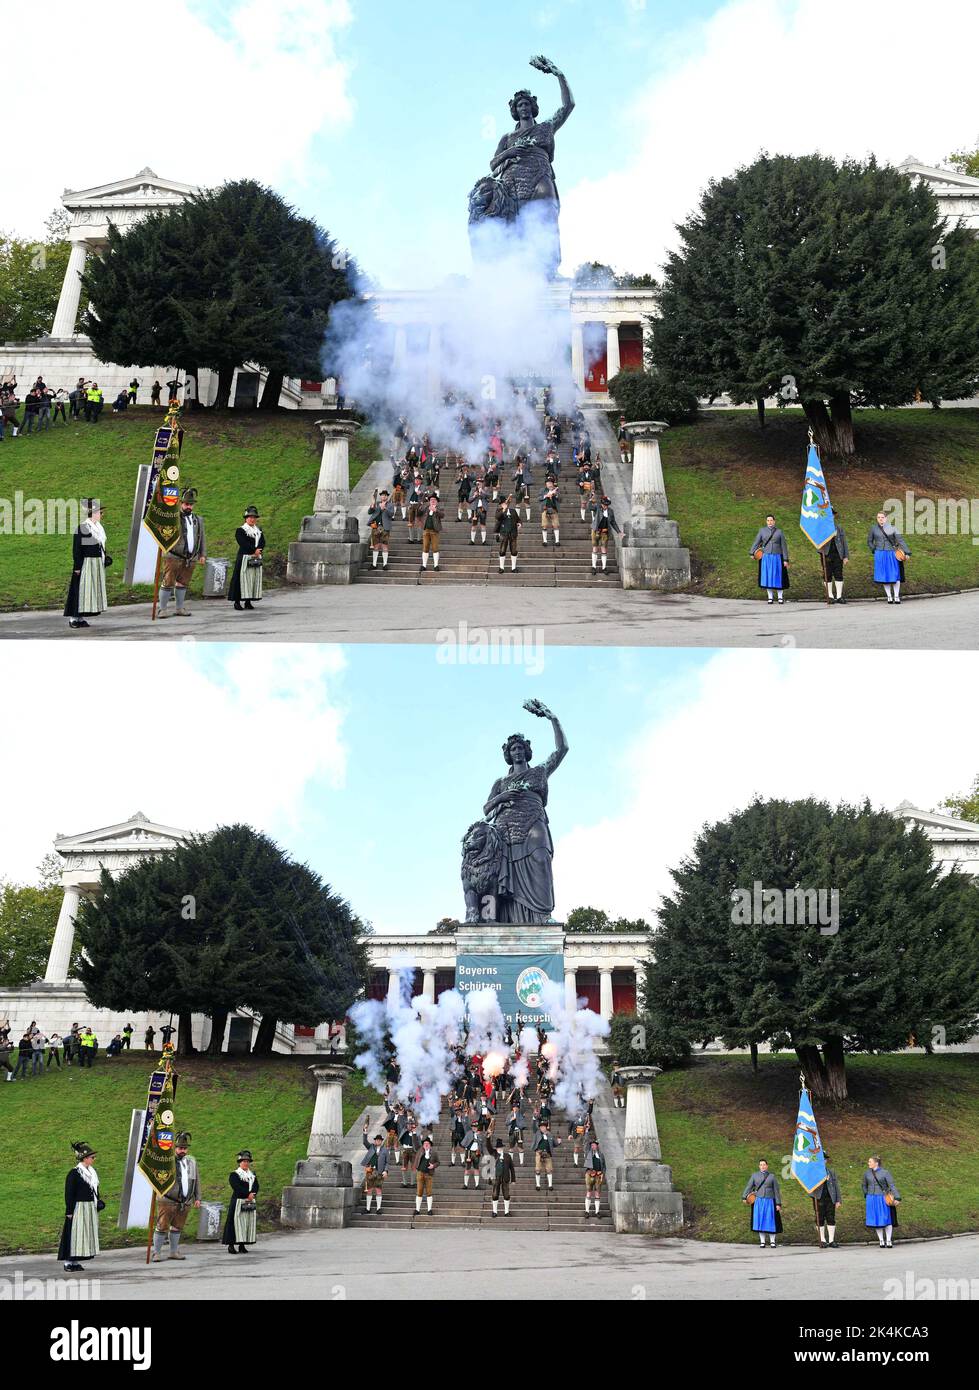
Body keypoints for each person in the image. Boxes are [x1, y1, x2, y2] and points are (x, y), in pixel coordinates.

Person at [158, 488, 207, 619]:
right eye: (186, 504)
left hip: (191, 557)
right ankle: (162, 609)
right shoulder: (172, 517)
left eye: (191, 504)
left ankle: (179, 608)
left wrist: (202, 554)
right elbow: (163, 531)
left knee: (183, 582)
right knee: (168, 581)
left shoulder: (198, 519)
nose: (188, 506)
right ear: (181, 503)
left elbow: (201, 538)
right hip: (173, 555)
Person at [152, 1132, 200, 1261]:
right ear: (174, 1148)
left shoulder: (192, 1161)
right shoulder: (166, 1160)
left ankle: (173, 1251)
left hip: (185, 1201)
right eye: (180, 1148)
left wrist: (197, 1198)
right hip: (167, 1199)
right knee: (162, 1225)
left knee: (178, 1226)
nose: (182, 1151)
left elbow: (196, 1181)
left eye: (185, 1148)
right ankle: (156, 1252)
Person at [64, 499, 110, 630]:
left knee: (88, 592)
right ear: (94, 513)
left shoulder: (99, 528)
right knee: (79, 590)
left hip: (95, 564)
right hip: (85, 564)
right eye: (100, 512)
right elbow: (77, 549)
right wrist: (77, 567)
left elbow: (100, 546)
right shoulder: (83, 528)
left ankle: (80, 618)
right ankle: (73, 618)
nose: (102, 515)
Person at [58, 1142, 104, 1272]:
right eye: (92, 1157)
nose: (94, 1159)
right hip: (78, 1208)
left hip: (89, 1208)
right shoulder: (74, 1173)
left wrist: (97, 1203)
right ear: (85, 1158)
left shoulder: (92, 1173)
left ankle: (75, 1261)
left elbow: (95, 1190)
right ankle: (68, 1262)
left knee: (83, 1235)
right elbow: (69, 1194)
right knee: (73, 1234)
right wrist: (69, 1211)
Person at [868, 511, 911, 605]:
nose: (880, 519)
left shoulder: (892, 528)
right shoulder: (873, 528)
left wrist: (907, 552)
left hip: (892, 554)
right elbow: (869, 541)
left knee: (895, 575)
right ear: (877, 518)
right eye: (879, 517)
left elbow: (900, 540)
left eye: (882, 517)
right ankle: (889, 596)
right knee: (884, 576)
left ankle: (896, 596)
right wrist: (874, 549)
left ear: (886, 518)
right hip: (880, 554)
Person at [228, 506, 264, 612]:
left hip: (255, 557)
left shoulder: (258, 531)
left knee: (252, 579)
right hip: (244, 558)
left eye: (254, 517)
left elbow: (262, 542)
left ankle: (248, 601)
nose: (252, 519)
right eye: (250, 517)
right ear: (246, 518)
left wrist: (259, 550)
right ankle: (237, 602)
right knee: (240, 580)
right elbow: (243, 543)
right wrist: (254, 550)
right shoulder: (241, 530)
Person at [223, 1150, 259, 1254]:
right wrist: (248, 1194)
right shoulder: (234, 1175)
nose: (246, 1163)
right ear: (239, 1162)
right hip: (238, 1201)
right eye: (243, 1161)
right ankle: (231, 1245)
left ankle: (242, 1245)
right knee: (235, 1223)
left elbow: (256, 1186)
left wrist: (253, 1194)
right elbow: (236, 1187)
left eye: (247, 1161)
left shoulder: (252, 1175)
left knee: (246, 1223)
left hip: (249, 1201)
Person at [748, 514, 789, 605]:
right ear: (766, 522)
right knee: (767, 577)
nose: (770, 522)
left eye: (771, 520)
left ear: (774, 521)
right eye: (768, 520)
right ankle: (770, 598)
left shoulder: (779, 532)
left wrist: (785, 559)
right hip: (766, 557)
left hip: (777, 557)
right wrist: (752, 552)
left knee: (778, 577)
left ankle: (780, 597)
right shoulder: (762, 531)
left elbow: (784, 546)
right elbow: (756, 542)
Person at [742, 1158, 782, 1248]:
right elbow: (749, 1186)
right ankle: (762, 1241)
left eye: (764, 1164)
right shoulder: (754, 1175)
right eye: (761, 1164)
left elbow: (776, 1191)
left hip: (770, 1201)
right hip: (758, 1201)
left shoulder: (772, 1176)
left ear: (767, 1166)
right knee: (760, 1221)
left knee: (770, 1221)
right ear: (759, 1166)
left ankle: (772, 1241)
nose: (762, 1166)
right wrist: (744, 1196)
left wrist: (778, 1203)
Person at [862, 1155, 900, 1247]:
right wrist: (866, 1194)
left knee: (887, 1219)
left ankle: (888, 1240)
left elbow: (892, 1185)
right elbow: (863, 1185)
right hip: (871, 1199)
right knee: (876, 1220)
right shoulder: (866, 1173)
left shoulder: (885, 1173)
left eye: (870, 1161)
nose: (868, 1163)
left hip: (883, 1198)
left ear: (876, 1163)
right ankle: (881, 1241)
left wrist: (897, 1197)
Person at [814, 1155, 842, 1249]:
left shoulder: (831, 1172)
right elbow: (809, 1186)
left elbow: (836, 1186)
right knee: (820, 1219)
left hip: (830, 1198)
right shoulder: (814, 1172)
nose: (823, 1161)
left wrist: (838, 1200)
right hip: (819, 1198)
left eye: (825, 1159)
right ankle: (822, 1240)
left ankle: (831, 1240)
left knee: (831, 1218)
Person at [823, 510, 849, 603]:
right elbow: (817, 541)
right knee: (828, 574)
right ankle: (830, 596)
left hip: (838, 554)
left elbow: (844, 542)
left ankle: (839, 596)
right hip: (826, 554)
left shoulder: (839, 528)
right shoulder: (822, 527)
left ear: (834, 516)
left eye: (832, 515)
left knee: (839, 574)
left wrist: (846, 556)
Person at [590, 494, 620, 574]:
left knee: (604, 548)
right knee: (595, 548)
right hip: (595, 530)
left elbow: (613, 522)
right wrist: (591, 501)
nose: (605, 506)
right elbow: (590, 508)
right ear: (602, 503)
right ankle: (593, 567)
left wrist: (619, 532)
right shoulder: (597, 507)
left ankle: (604, 568)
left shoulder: (610, 511)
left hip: (605, 532)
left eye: (607, 505)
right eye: (604, 504)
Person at [360, 1127, 388, 1213]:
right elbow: (365, 1142)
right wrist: (365, 1132)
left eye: (380, 1140)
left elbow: (387, 1162)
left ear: (381, 1141)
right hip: (370, 1171)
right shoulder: (371, 1147)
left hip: (379, 1172)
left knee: (378, 1190)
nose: (378, 1141)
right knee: (369, 1190)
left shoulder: (385, 1150)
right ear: (375, 1141)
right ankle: (367, 1208)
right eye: (377, 1140)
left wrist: (385, 1171)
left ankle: (378, 1208)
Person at [367, 488, 395, 570]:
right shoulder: (377, 503)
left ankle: (385, 564)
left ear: (387, 497)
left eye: (385, 495)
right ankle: (374, 564)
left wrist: (385, 509)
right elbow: (370, 512)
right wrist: (372, 505)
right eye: (382, 495)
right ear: (381, 497)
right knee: (376, 546)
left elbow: (391, 514)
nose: (383, 497)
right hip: (375, 526)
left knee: (384, 546)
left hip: (385, 527)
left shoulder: (390, 505)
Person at [414, 1135, 440, 1216]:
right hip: (420, 1173)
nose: (426, 1145)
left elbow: (438, 1162)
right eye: (424, 1143)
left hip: (429, 1174)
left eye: (427, 1143)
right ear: (422, 1145)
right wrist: (414, 1133)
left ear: (430, 1145)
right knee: (419, 1191)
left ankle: (429, 1210)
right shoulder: (419, 1150)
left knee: (429, 1192)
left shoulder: (434, 1153)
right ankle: (417, 1209)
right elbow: (415, 1144)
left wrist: (433, 1166)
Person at [495, 496, 522, 573]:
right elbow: (497, 517)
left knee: (514, 551)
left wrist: (519, 524)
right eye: (502, 503)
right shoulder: (499, 510)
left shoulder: (513, 511)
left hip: (513, 533)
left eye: (504, 503)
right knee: (502, 550)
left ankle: (513, 568)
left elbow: (518, 519)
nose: (504, 504)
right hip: (504, 533)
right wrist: (503, 509)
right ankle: (501, 567)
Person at [491, 1138, 516, 1218]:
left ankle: (506, 1212)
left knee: (506, 1195)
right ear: (496, 1148)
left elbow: (512, 1168)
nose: (500, 1149)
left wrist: (513, 1179)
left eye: (501, 1147)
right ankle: (494, 1212)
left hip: (505, 1178)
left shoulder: (507, 1156)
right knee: (495, 1195)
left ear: (503, 1148)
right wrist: (488, 1138)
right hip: (496, 1177)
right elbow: (488, 1146)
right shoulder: (494, 1155)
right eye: (498, 1147)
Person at [421, 493, 444, 573]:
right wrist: (423, 501)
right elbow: (420, 511)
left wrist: (436, 510)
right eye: (431, 500)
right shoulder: (426, 507)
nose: (433, 501)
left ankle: (436, 565)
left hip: (435, 531)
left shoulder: (439, 508)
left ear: (437, 501)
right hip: (426, 530)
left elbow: (442, 515)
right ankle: (424, 565)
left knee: (435, 548)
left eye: (434, 500)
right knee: (425, 547)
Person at [584, 1138, 606, 1217]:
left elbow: (604, 1166)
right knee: (589, 1192)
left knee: (597, 1193)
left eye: (594, 1145)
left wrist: (603, 1173)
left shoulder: (601, 1155)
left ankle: (597, 1212)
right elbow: (586, 1143)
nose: (592, 1146)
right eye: (592, 1145)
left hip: (598, 1175)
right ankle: (587, 1211)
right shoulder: (588, 1153)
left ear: (597, 1146)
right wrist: (586, 1131)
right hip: (589, 1173)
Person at [540, 478, 560, 547]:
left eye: (550, 483)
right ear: (546, 484)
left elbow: (560, 499)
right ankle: (545, 541)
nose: (549, 485)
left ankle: (557, 541)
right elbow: (539, 498)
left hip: (554, 509)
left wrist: (555, 495)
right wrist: (546, 495)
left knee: (556, 525)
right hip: (545, 509)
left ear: (553, 484)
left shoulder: (556, 490)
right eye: (548, 483)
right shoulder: (543, 490)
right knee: (544, 525)